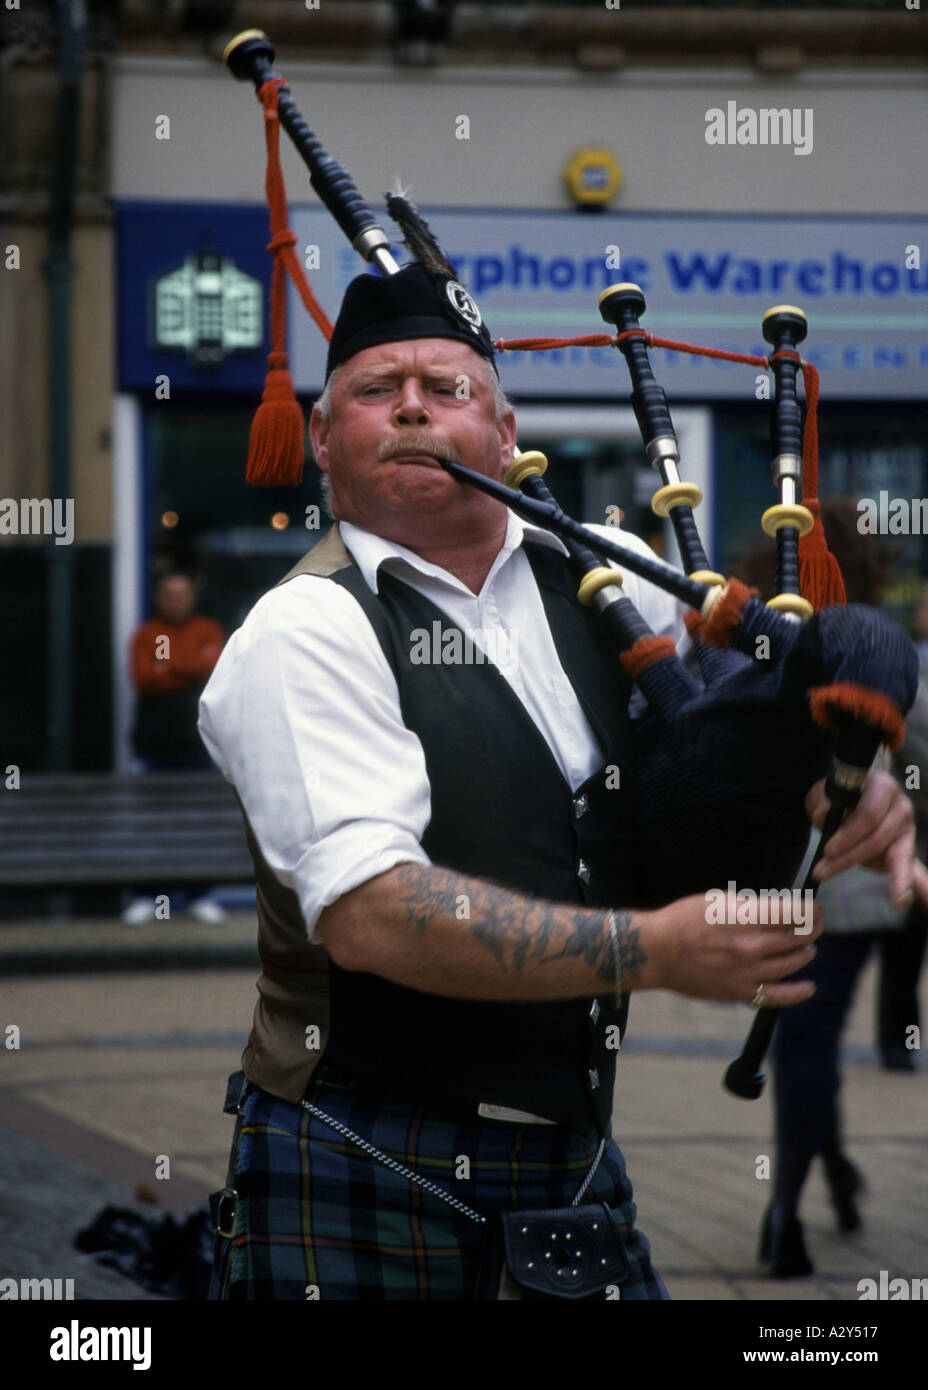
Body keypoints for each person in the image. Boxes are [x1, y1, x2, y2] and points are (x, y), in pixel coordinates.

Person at [198, 263, 923, 1300]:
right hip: (355, 1152)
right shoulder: (305, 629)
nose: (410, 405)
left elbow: (724, 744)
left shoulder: (606, 570)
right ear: (322, 437)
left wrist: (844, 776)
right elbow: (371, 914)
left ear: (504, 433)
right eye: (374, 389)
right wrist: (654, 948)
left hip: (572, 1155)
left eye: (446, 390)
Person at [124, 572, 227, 926]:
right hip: (154, 745)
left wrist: (168, 666)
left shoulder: (207, 629)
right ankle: (149, 896)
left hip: (199, 744)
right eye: (171, 594)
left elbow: (213, 668)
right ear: (158, 598)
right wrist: (187, 667)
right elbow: (144, 677)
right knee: (152, 823)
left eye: (183, 594)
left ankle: (199, 895)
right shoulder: (148, 634)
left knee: (196, 823)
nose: (178, 600)